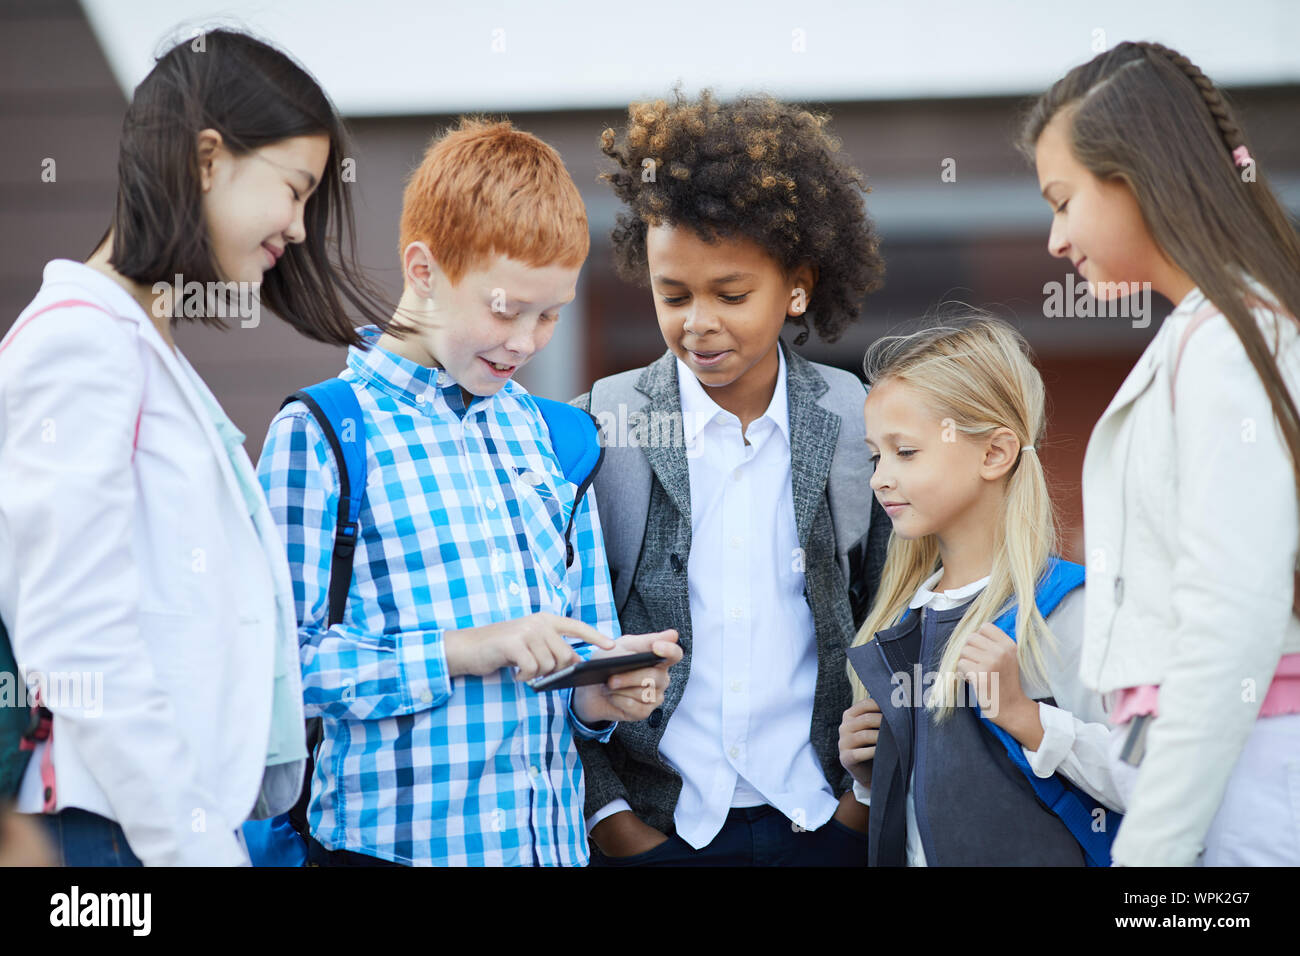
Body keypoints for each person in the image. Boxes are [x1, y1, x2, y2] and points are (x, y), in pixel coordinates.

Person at [0, 28, 391, 865]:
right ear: (207, 159)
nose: (295, 226)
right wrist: (194, 847)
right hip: (112, 832)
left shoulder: (140, 346)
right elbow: (78, 641)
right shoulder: (82, 344)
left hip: (147, 826)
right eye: (294, 189)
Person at [258, 117, 682, 867]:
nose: (525, 340)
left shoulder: (557, 438)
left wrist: (601, 698)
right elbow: (281, 675)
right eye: (504, 307)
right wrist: (462, 651)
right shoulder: (324, 433)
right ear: (423, 270)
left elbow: (577, 667)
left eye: (550, 314)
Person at [574, 89, 890, 866]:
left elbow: (893, 610)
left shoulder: (857, 420)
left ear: (797, 287)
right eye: (672, 294)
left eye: (731, 294)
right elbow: (562, 634)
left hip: (819, 820)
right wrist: (612, 823)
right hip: (659, 828)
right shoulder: (601, 424)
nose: (697, 322)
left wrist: (859, 807)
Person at [1022, 40, 1300, 866]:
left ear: (1137, 176)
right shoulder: (1216, 335)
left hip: (1247, 780)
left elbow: (1229, 624)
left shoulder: (1226, 344)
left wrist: (1153, 854)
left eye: (1063, 200)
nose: (1054, 238)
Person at [840, 317, 1124, 866]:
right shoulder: (901, 621)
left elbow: (1149, 780)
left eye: (906, 452)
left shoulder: (1067, 607)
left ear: (995, 453)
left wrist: (1026, 715)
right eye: (876, 456)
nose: (879, 478)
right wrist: (872, 781)